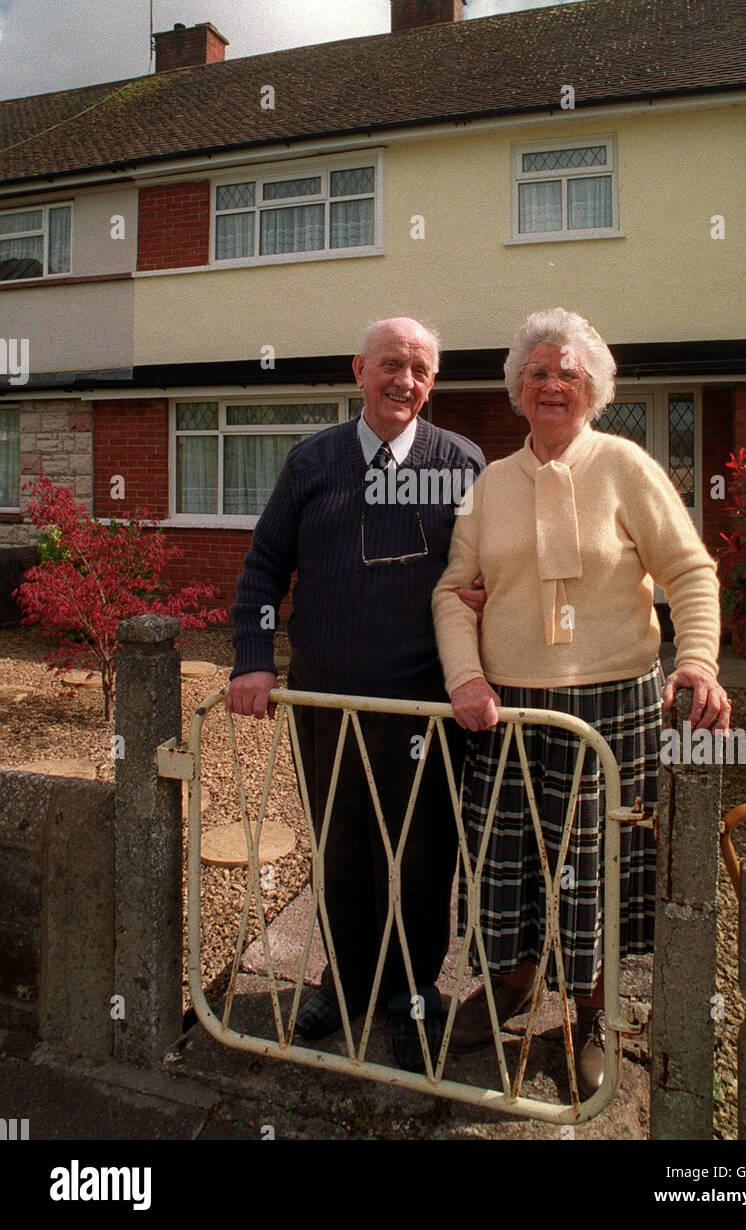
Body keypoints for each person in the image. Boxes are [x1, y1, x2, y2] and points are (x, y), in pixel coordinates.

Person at [431, 307, 729, 1098]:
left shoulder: (626, 465)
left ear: (592, 388)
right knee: (509, 857)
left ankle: (591, 1011)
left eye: (568, 372)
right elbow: (452, 592)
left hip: (614, 707)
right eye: (537, 372)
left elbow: (690, 571)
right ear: (517, 391)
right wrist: (465, 676)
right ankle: (511, 983)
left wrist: (696, 660)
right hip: (507, 712)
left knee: (598, 866)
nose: (552, 383)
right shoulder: (489, 483)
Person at [226, 317, 485, 1071]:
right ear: (359, 371)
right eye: (391, 365)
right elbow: (263, 568)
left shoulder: (462, 462)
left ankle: (411, 992)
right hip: (327, 702)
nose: (405, 380)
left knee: (420, 855)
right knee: (340, 851)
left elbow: (487, 572)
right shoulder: (312, 462)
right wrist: (253, 658)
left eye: (420, 368)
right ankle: (345, 981)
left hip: (423, 709)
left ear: (432, 382)